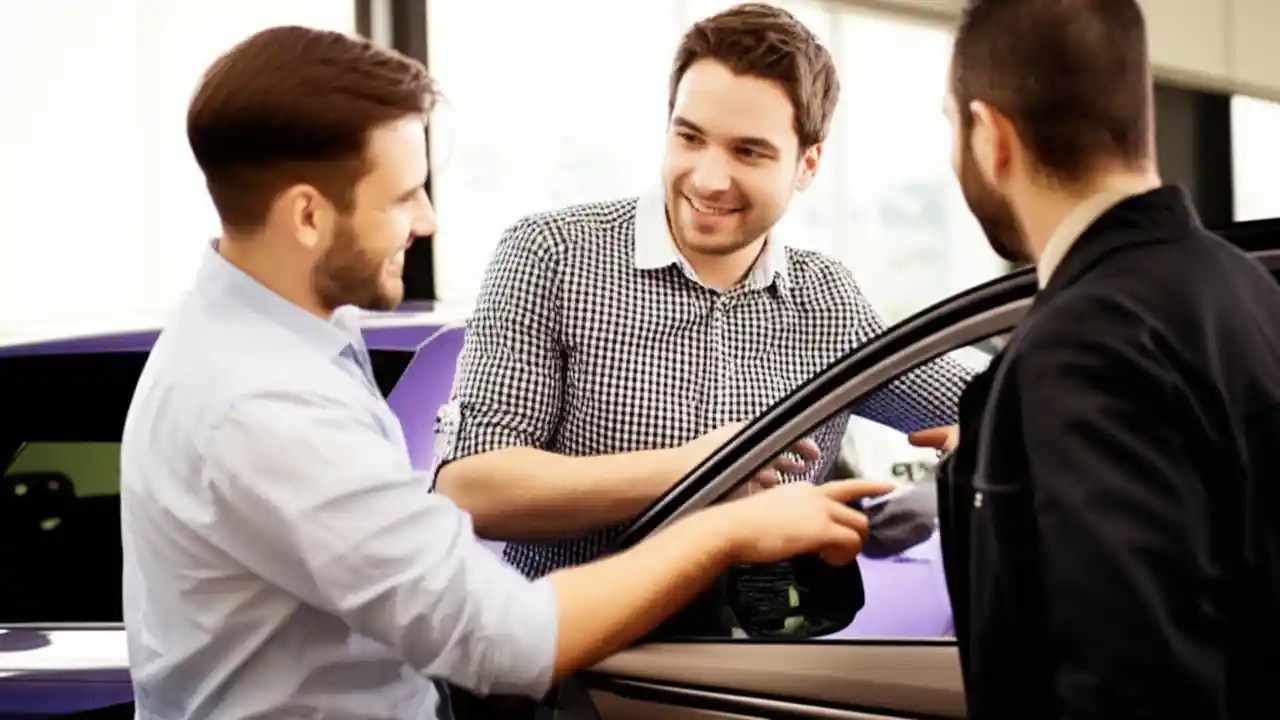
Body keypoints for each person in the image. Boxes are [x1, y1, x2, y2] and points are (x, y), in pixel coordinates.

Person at [117, 25, 893, 720]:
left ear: (807, 162)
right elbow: (504, 639)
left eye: (749, 149)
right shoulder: (266, 402)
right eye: (404, 194)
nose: (427, 220)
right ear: (308, 216)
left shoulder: (291, 342)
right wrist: (723, 514)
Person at [432, 2, 973, 589]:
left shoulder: (828, 299)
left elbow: (994, 405)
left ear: (807, 164)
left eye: (749, 152)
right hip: (579, 648)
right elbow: (471, 489)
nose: (709, 179)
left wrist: (964, 461)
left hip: (763, 653)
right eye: (690, 137)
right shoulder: (552, 255)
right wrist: (713, 464)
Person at [922, 0, 1280, 717]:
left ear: (991, 137)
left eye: (950, 126)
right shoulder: (1244, 287)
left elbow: (1134, 684)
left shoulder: (1084, 345)